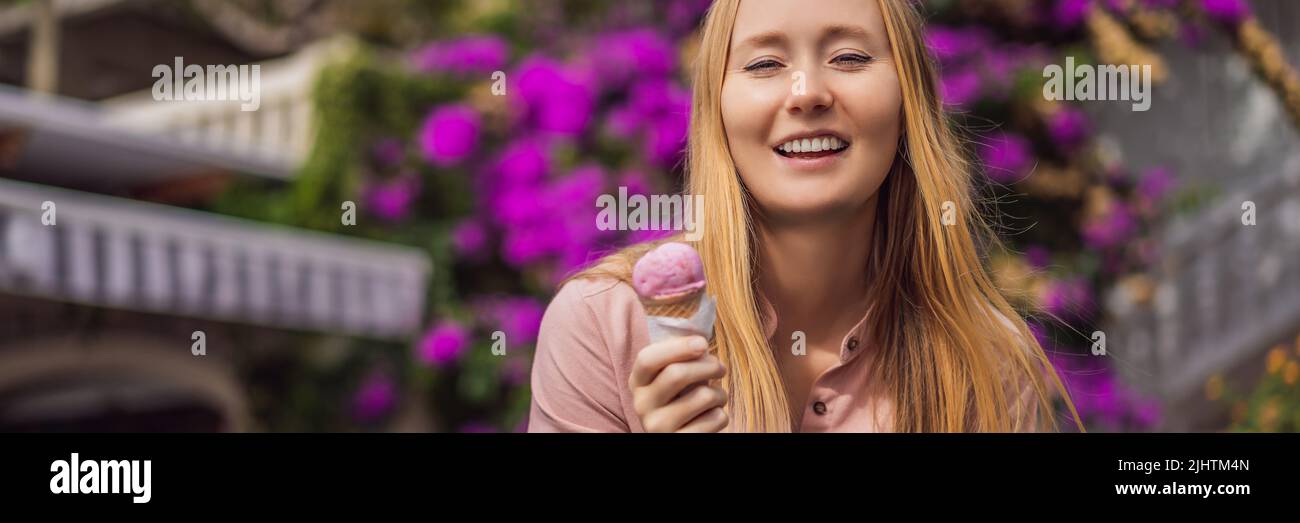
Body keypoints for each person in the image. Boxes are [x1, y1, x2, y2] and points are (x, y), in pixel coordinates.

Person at [528, 0, 1080, 432]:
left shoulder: (989, 362)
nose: (807, 92)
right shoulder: (602, 325)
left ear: (909, 98)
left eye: (850, 57)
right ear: (716, 108)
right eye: (765, 63)